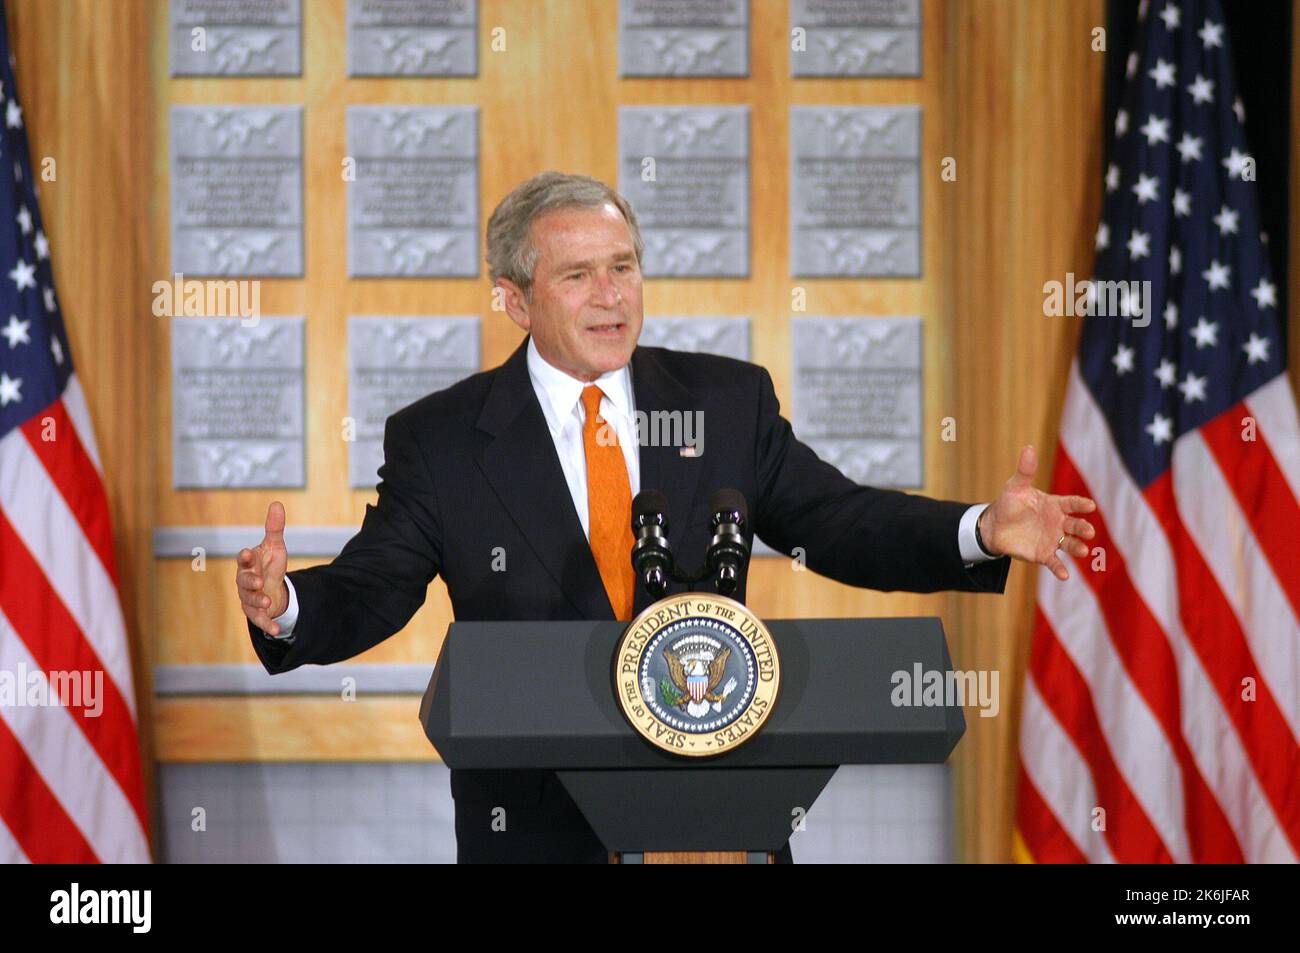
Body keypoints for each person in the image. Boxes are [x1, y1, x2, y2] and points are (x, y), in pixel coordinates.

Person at [235, 171, 1097, 863]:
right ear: (514, 300)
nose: (612, 295)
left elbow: (834, 519)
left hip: (722, 802)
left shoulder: (725, 402)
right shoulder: (444, 438)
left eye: (625, 265)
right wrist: (289, 608)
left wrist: (977, 529)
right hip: (537, 828)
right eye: (578, 275)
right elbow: (379, 582)